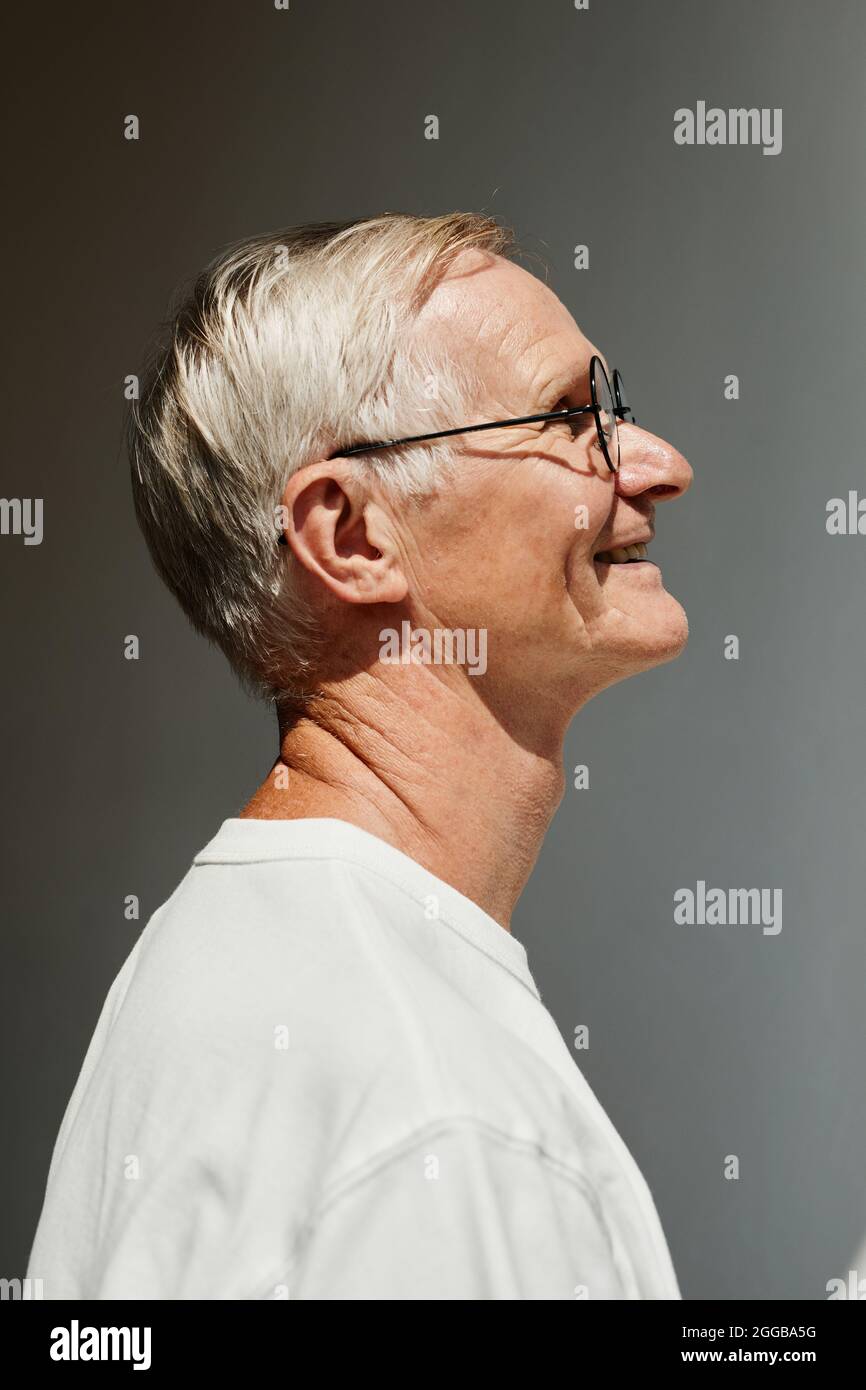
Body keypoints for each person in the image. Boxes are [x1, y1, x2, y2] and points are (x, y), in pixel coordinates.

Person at [28, 213, 692, 1299]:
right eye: (570, 419)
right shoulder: (438, 1108)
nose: (660, 465)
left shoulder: (216, 969)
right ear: (349, 534)